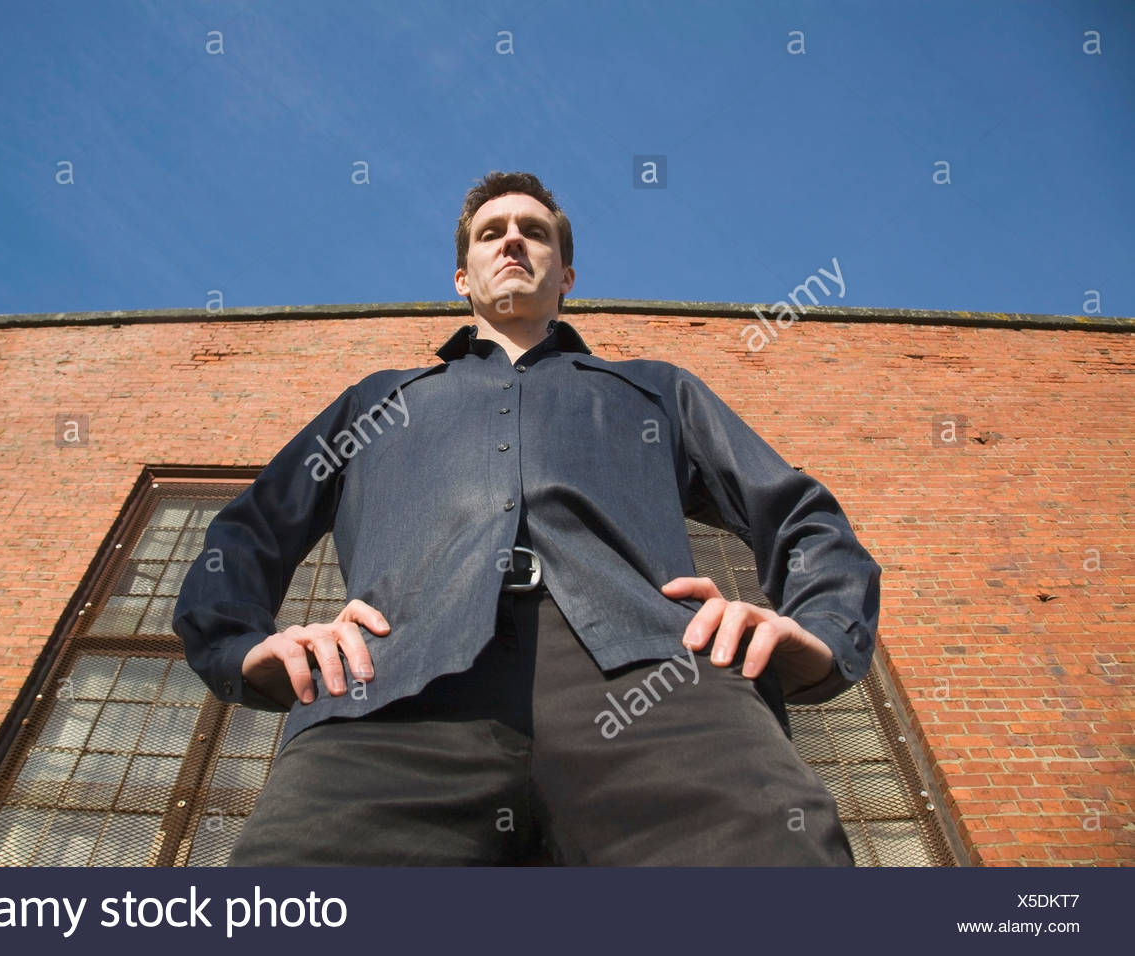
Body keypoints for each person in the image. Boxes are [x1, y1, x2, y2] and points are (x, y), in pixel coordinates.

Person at [172, 170, 882, 866]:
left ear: (566, 275)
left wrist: (822, 631)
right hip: (388, 693)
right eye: (491, 233)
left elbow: (799, 511)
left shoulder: (654, 391)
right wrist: (239, 648)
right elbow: (246, 532)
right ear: (462, 277)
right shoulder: (376, 403)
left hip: (661, 686)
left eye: (533, 232)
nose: (512, 242)